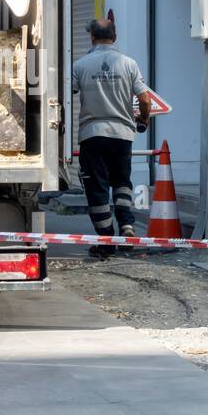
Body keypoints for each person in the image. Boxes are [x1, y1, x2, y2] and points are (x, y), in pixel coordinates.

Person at [71, 18, 152, 259]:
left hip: (92, 135)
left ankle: (106, 241)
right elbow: (145, 100)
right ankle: (127, 227)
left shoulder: (81, 65)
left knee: (97, 189)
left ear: (92, 38)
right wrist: (143, 119)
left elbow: (68, 91)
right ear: (114, 38)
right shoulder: (129, 64)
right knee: (122, 183)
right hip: (122, 135)